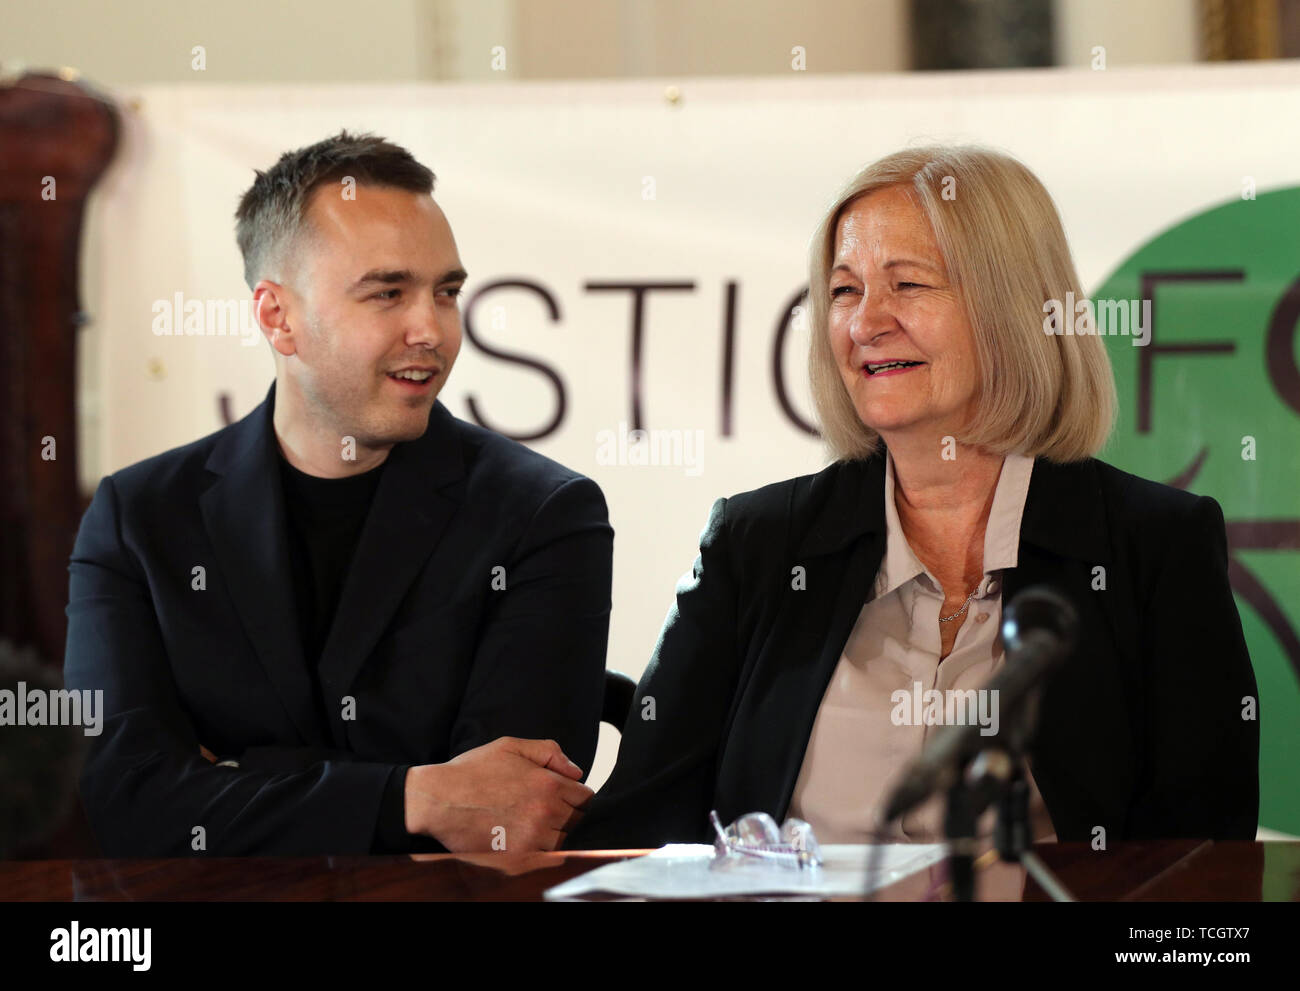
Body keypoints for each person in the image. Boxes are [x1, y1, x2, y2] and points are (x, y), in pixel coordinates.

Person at [569, 146, 1259, 850]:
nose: (866, 322)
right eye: (844, 291)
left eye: (908, 285)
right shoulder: (756, 543)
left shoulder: (1153, 547)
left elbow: (1201, 873)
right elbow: (638, 832)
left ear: (1013, 309)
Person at [64, 131, 612, 856]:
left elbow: (508, 812)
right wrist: (414, 793)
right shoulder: (139, 517)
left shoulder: (544, 514)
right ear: (276, 317)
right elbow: (123, 801)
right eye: (388, 292)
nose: (434, 330)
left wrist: (233, 776)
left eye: (446, 292)